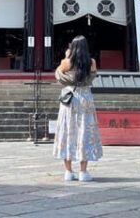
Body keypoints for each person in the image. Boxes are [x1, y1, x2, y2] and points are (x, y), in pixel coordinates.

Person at [53, 35, 102, 182]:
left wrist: (67, 56)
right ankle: (83, 172)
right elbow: (93, 76)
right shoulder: (91, 62)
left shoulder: (67, 62)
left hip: (70, 99)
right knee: (84, 132)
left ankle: (68, 172)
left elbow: (58, 75)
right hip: (85, 98)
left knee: (68, 131)